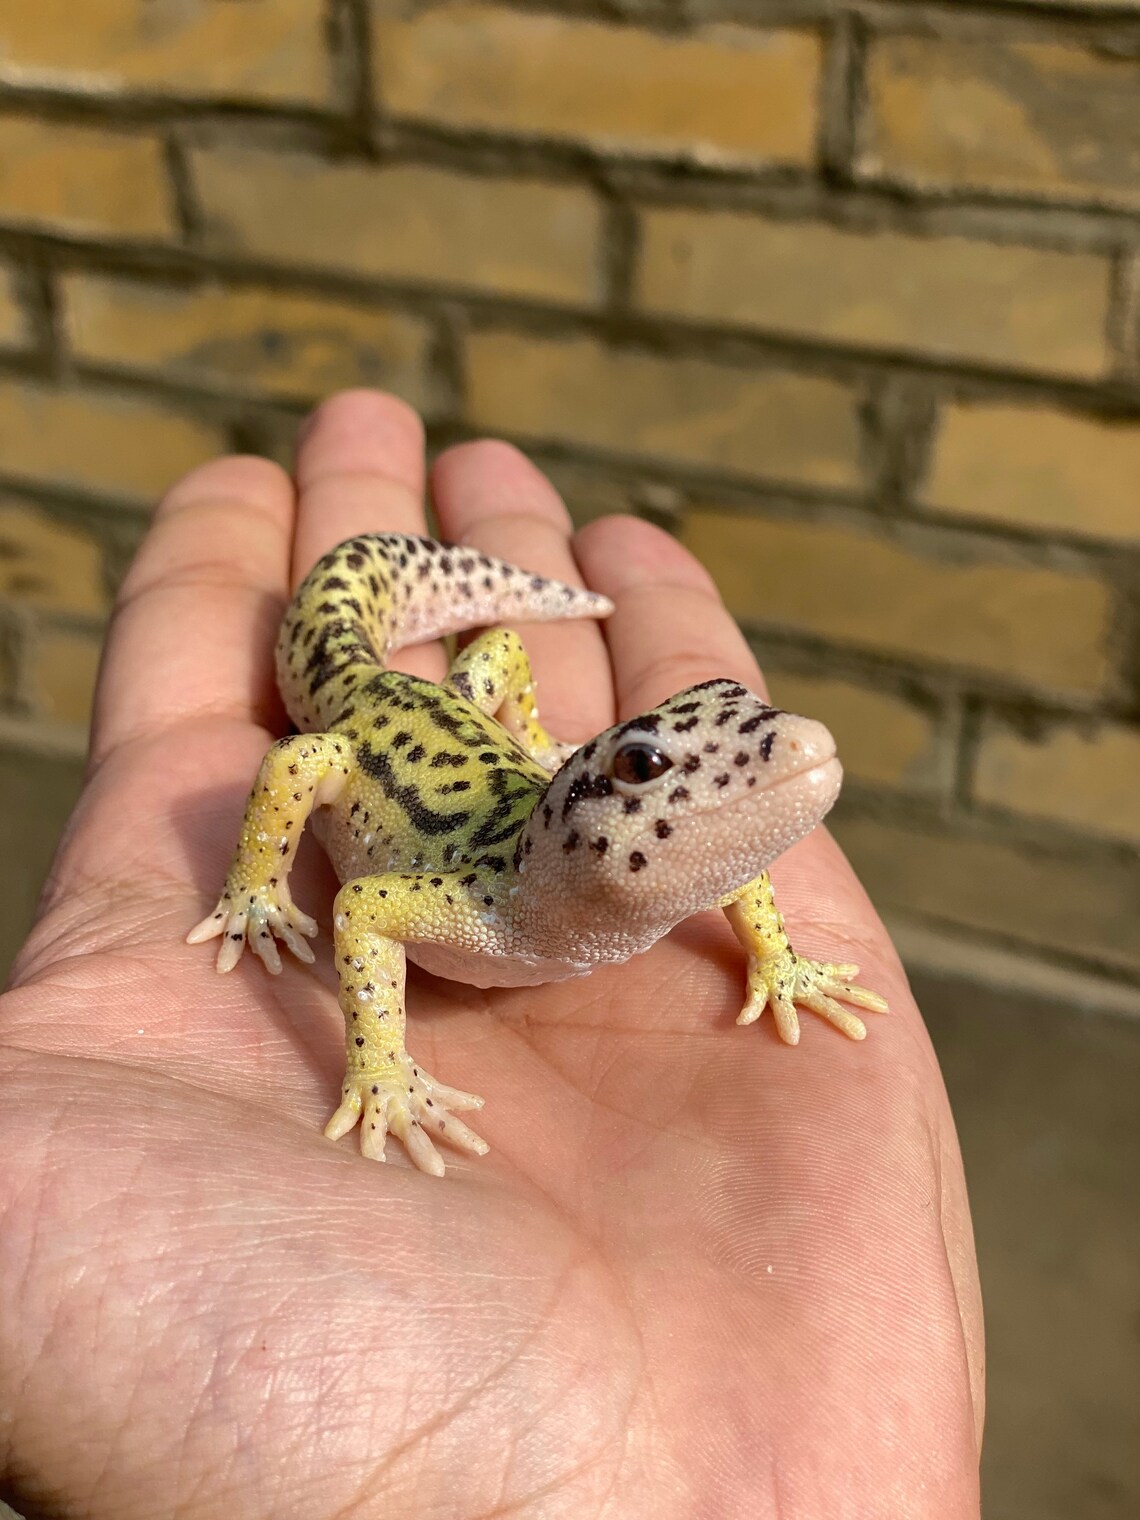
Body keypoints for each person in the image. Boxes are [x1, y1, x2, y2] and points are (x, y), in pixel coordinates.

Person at [0, 391, 982, 1518]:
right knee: (315, 751)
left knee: (503, 650)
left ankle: (500, 674)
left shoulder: (662, 865)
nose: (781, 756)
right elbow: (366, 905)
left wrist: (779, 958)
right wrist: (352, 1023)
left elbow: (725, 860)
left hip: (488, 745)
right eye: (653, 769)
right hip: (378, 725)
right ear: (585, 812)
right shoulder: (483, 907)